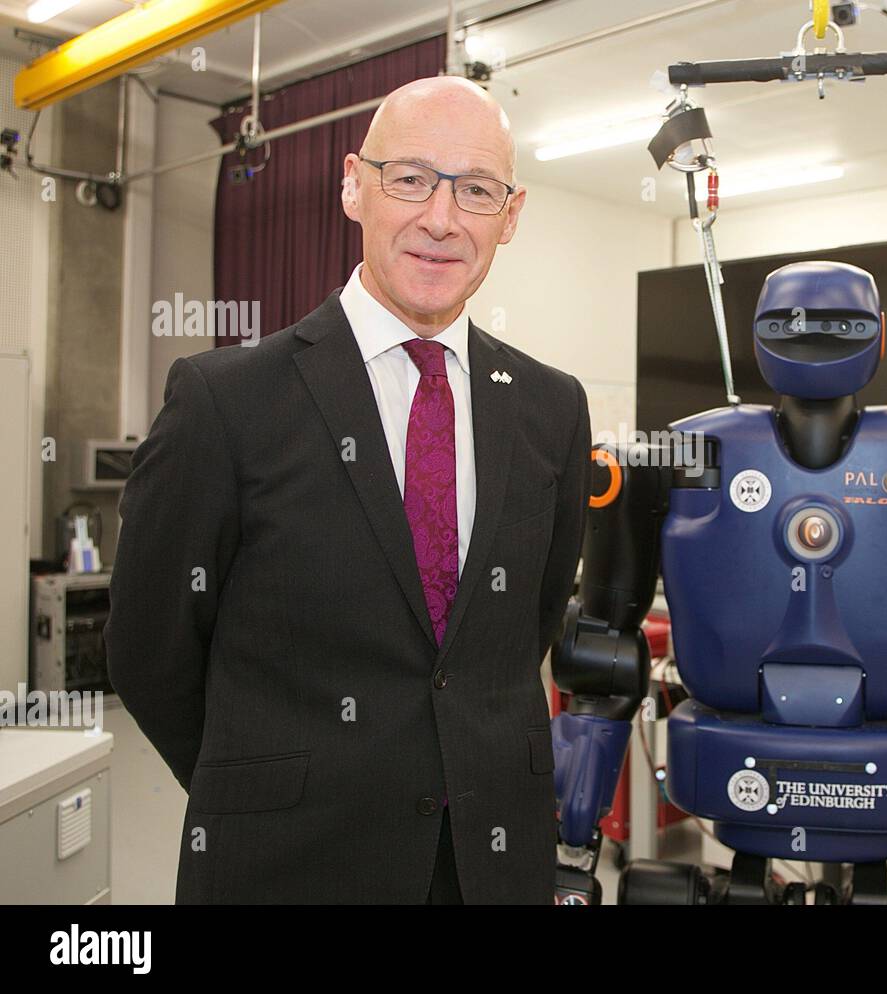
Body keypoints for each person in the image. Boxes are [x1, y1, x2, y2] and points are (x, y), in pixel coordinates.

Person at [106, 76, 590, 904]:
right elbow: (150, 651)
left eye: (476, 190)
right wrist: (257, 784)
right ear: (353, 186)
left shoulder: (551, 409)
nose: (440, 219)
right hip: (288, 864)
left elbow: (523, 630)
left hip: (490, 862)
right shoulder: (226, 401)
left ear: (509, 217)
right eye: (410, 179)